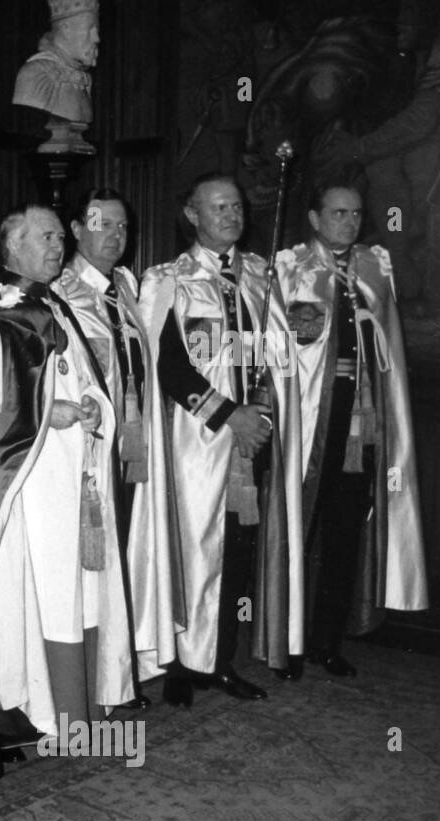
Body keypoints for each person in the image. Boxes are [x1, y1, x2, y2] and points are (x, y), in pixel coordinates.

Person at [0, 204, 135, 741]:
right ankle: (43, 709)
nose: (55, 246)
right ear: (11, 248)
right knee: (46, 587)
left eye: (57, 237)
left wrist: (93, 407)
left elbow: (84, 378)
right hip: (30, 480)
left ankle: (84, 702)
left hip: (77, 474)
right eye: (42, 237)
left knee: (82, 582)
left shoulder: (57, 307)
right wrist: (47, 417)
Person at [137, 173, 303, 706]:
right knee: (193, 547)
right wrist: (229, 415)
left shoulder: (261, 276)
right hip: (196, 442)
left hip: (251, 439)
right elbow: (168, 366)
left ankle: (223, 659)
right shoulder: (168, 280)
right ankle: (184, 665)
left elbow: (280, 357)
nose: (231, 216)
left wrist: (263, 416)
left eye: (236, 207)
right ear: (192, 214)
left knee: (238, 549)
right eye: (218, 207)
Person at [273, 184, 427, 674]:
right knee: (298, 529)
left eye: (356, 214)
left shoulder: (375, 266)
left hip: (361, 422)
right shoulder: (290, 266)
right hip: (310, 420)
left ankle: (326, 641)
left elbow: (390, 347)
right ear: (315, 218)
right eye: (338, 213)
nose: (349, 222)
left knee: (344, 533)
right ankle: (287, 641)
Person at [53, 188, 181, 706]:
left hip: (132, 444)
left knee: (131, 551)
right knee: (98, 559)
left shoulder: (125, 288)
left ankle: (126, 669)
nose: (115, 235)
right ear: (77, 229)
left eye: (123, 227)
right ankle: (100, 680)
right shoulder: (60, 292)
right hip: (88, 446)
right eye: (102, 224)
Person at [12, 0, 100, 152]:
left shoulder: (85, 79)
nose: (96, 38)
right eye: (90, 29)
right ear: (66, 29)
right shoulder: (33, 74)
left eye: (97, 30)